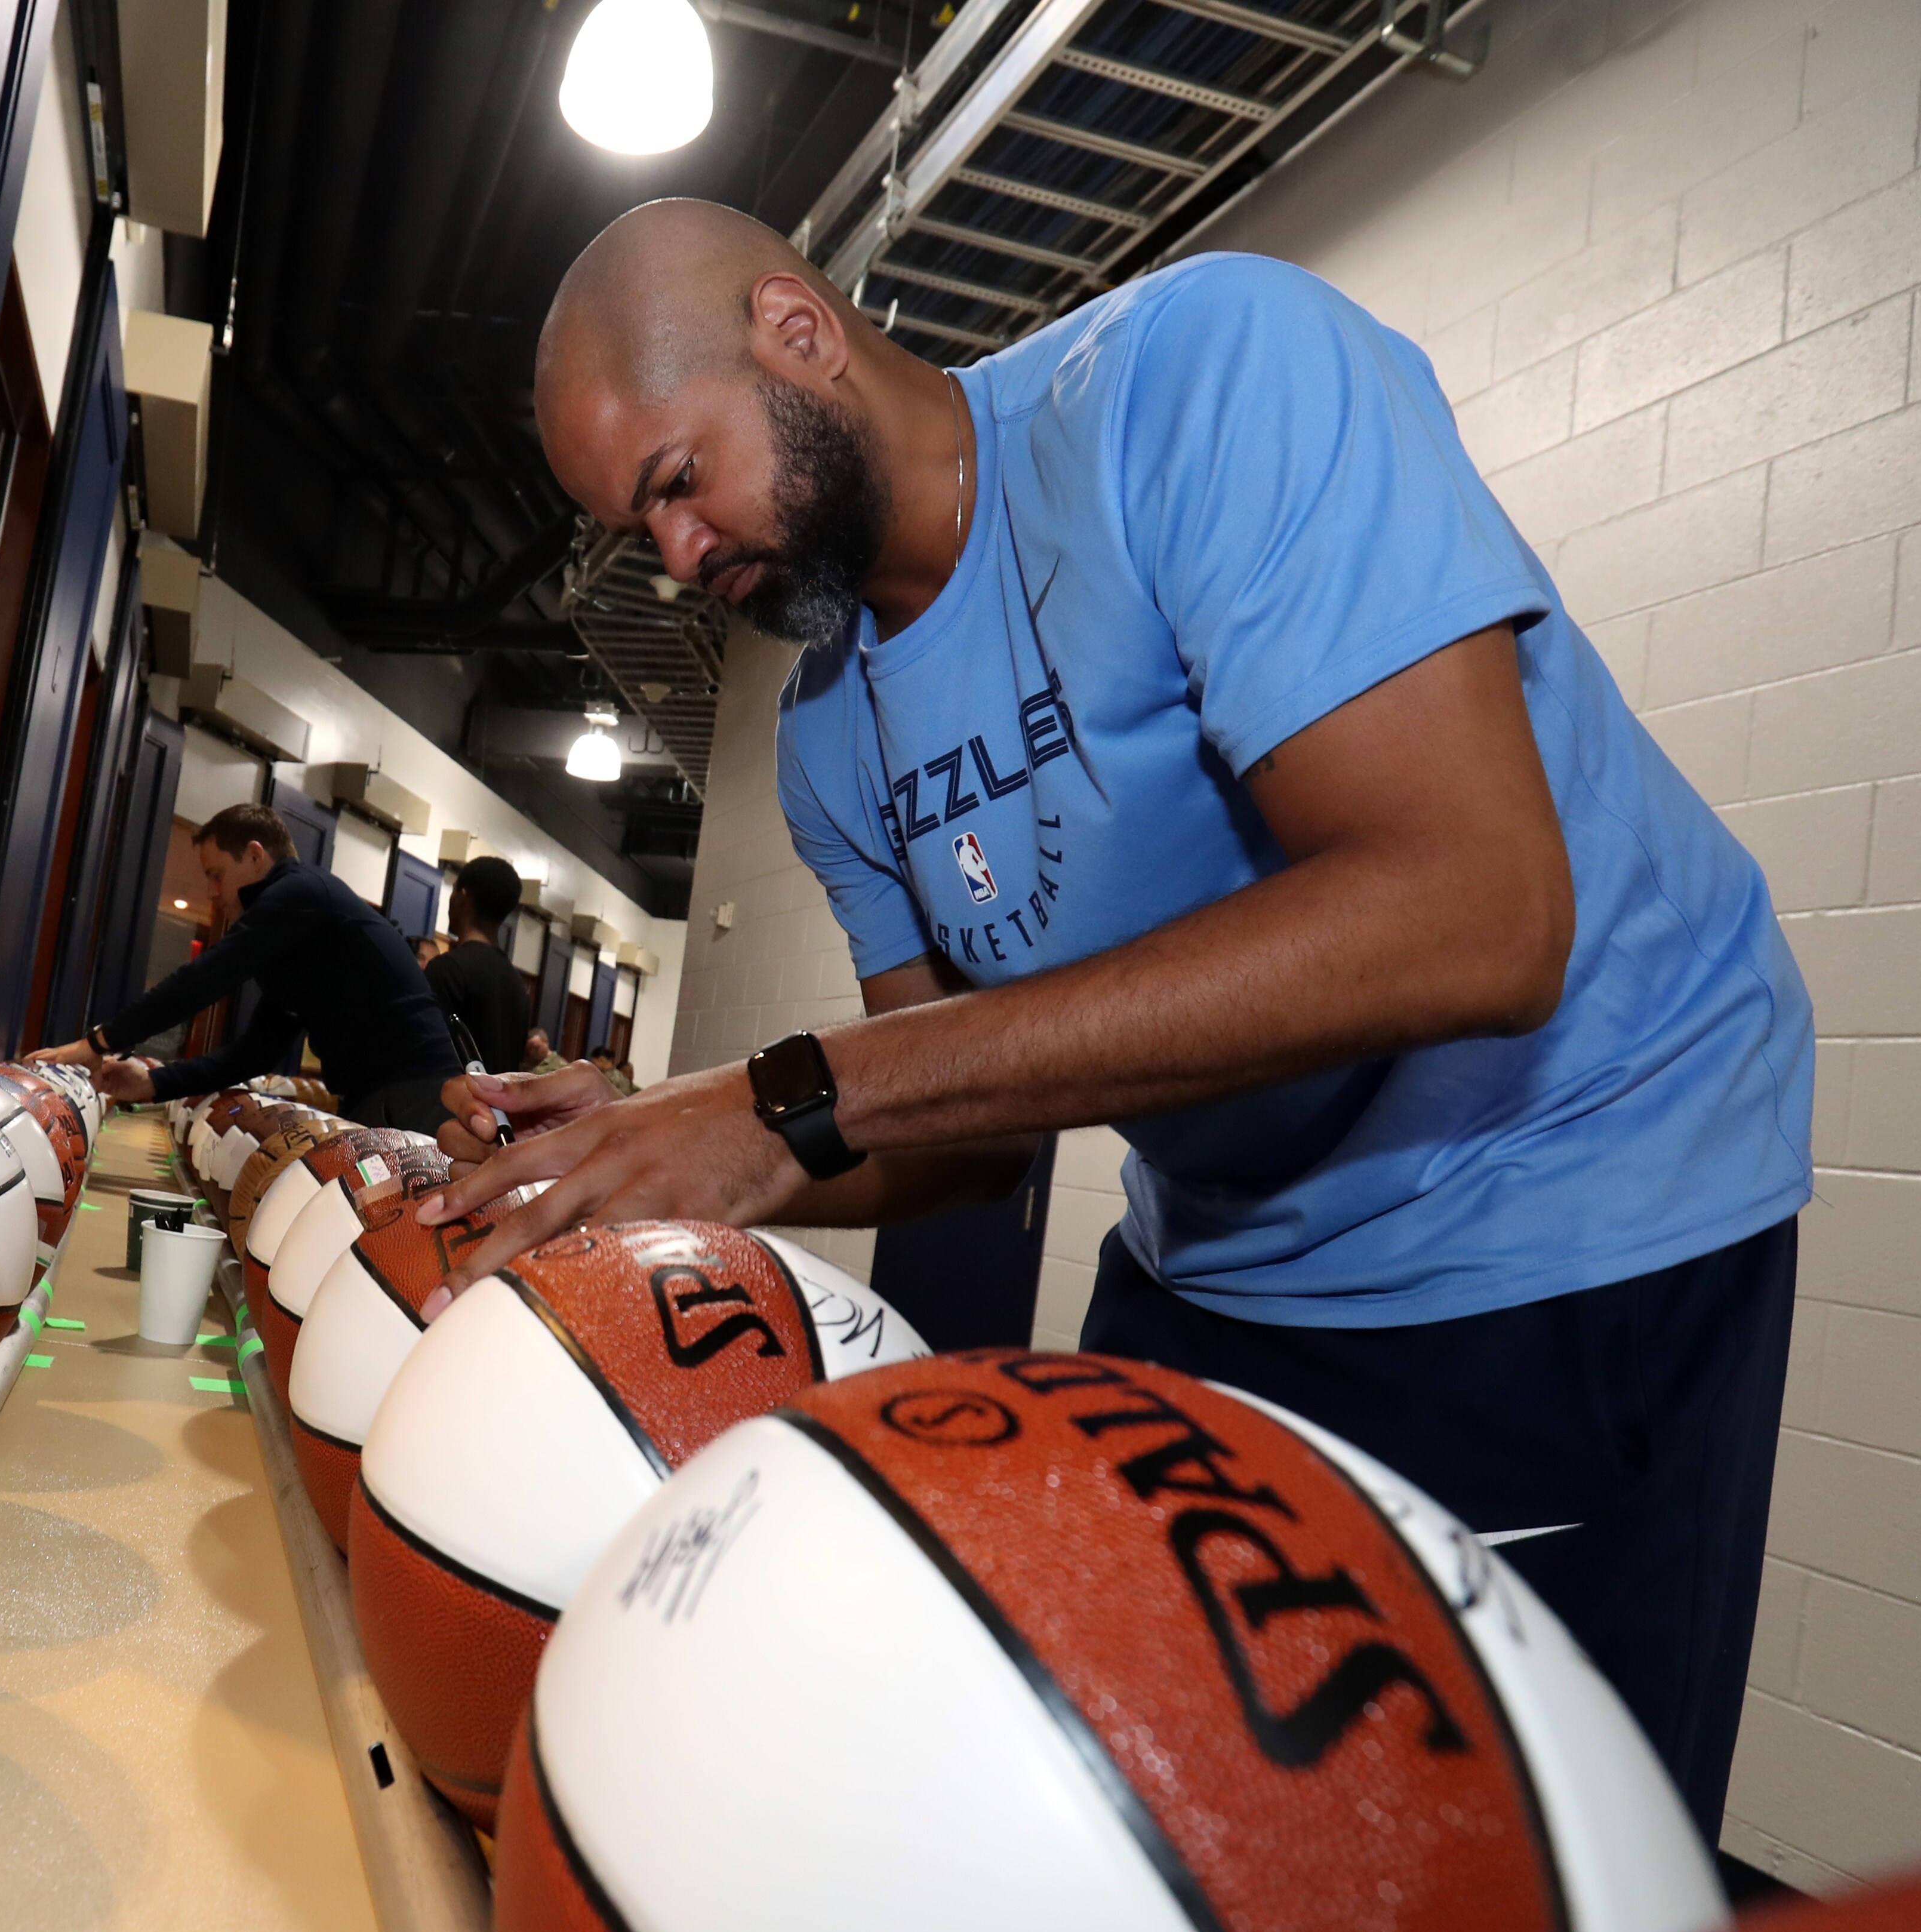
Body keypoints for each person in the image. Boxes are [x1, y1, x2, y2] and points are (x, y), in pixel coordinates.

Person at [419, 199, 1811, 1844]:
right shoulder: (829, 735)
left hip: (1562, 1199)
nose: (679, 553)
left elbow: (1475, 912)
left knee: (1497, 1875)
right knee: (1109, 1812)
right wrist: (669, 1137)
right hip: (1218, 1256)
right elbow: (967, 1133)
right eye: (636, 524)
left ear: (798, 330)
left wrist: (787, 1090)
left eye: (674, 477)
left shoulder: (1197, 381)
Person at [32, 802, 463, 1134]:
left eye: (217, 874)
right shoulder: (293, 941)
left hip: (415, 1089)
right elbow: (252, 1054)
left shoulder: (301, 893)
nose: (213, 891)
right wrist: (152, 1083)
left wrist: (99, 1041)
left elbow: (203, 979)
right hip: (379, 1091)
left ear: (256, 856)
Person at [422, 855, 531, 1076]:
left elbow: (423, 1055)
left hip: (451, 1107)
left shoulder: (448, 970)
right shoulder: (518, 985)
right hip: (497, 1109)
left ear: (463, 897)